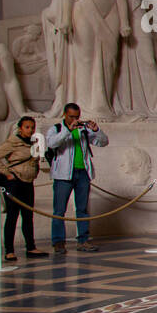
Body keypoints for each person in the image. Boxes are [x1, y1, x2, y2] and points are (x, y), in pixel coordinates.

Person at [45, 103, 108, 253]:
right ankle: (58, 242)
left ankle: (83, 240)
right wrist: (68, 130)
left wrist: (96, 130)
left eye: (77, 117)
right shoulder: (56, 129)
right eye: (71, 116)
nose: (75, 119)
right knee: (59, 210)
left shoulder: (83, 130)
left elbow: (104, 142)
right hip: (63, 175)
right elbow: (52, 143)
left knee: (82, 209)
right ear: (65, 115)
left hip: (82, 173)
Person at [0, 116, 46, 259]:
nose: (30, 130)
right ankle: (9, 251)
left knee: (28, 216)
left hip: (28, 182)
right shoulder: (13, 142)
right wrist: (7, 174)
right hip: (14, 183)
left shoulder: (34, 142)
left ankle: (31, 247)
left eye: (32, 127)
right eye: (27, 127)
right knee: (12, 216)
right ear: (20, 128)